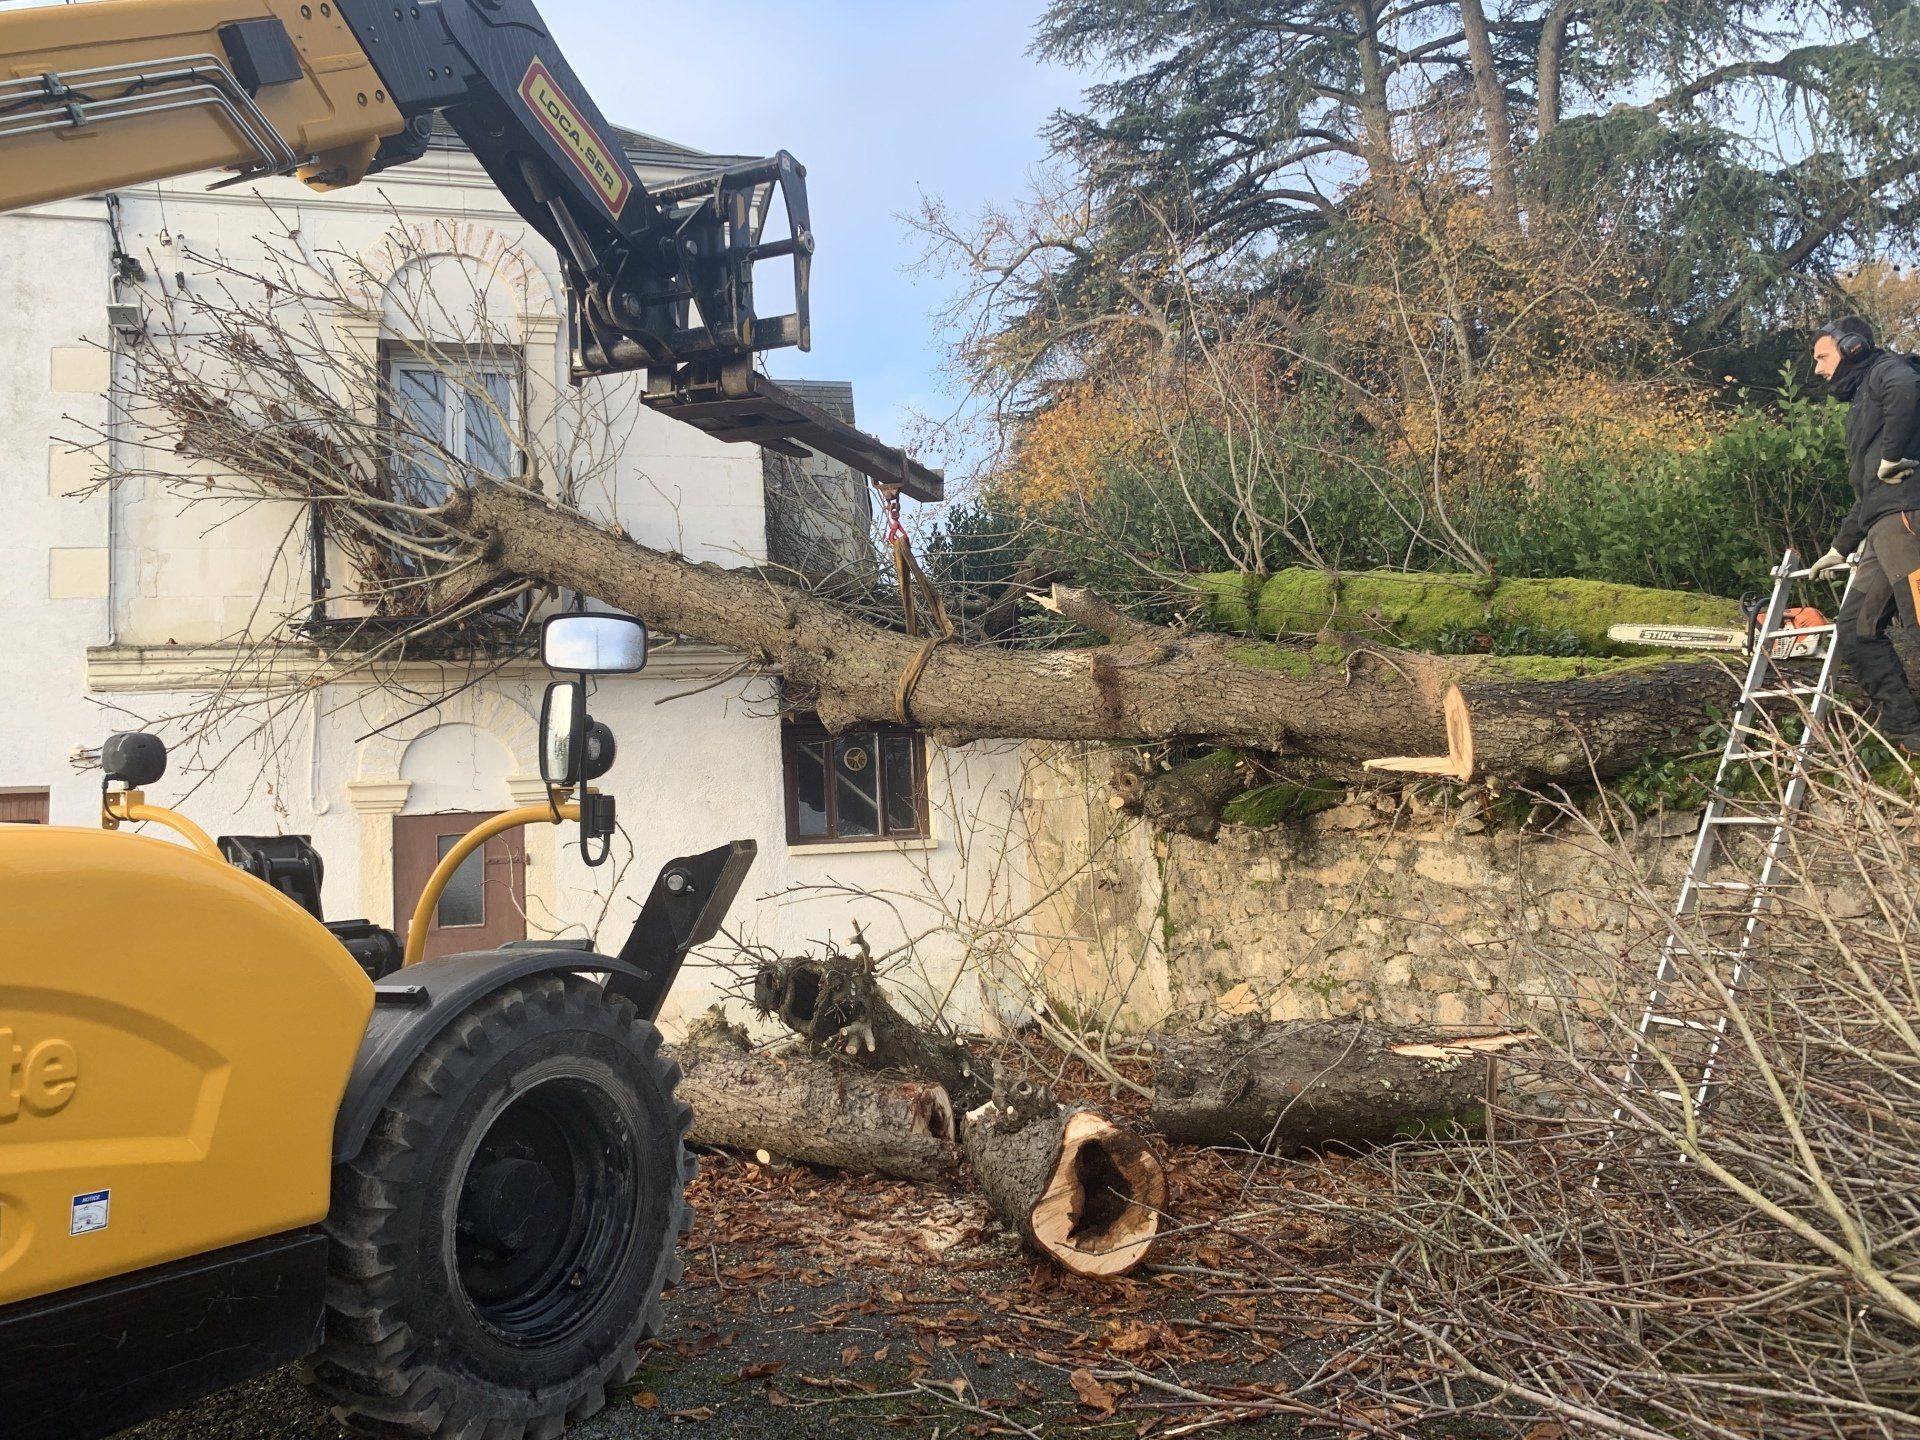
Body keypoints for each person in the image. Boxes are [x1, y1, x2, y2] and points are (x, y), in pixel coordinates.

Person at [1808, 316, 1920, 748]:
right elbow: (1870, 490)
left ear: (1852, 348)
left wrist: (1892, 455)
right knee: (1856, 629)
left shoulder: (1886, 371)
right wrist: (1840, 547)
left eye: (1822, 356)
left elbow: (1909, 391)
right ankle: (1908, 730)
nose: (1817, 368)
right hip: (1882, 525)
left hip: (1907, 516)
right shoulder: (1864, 401)